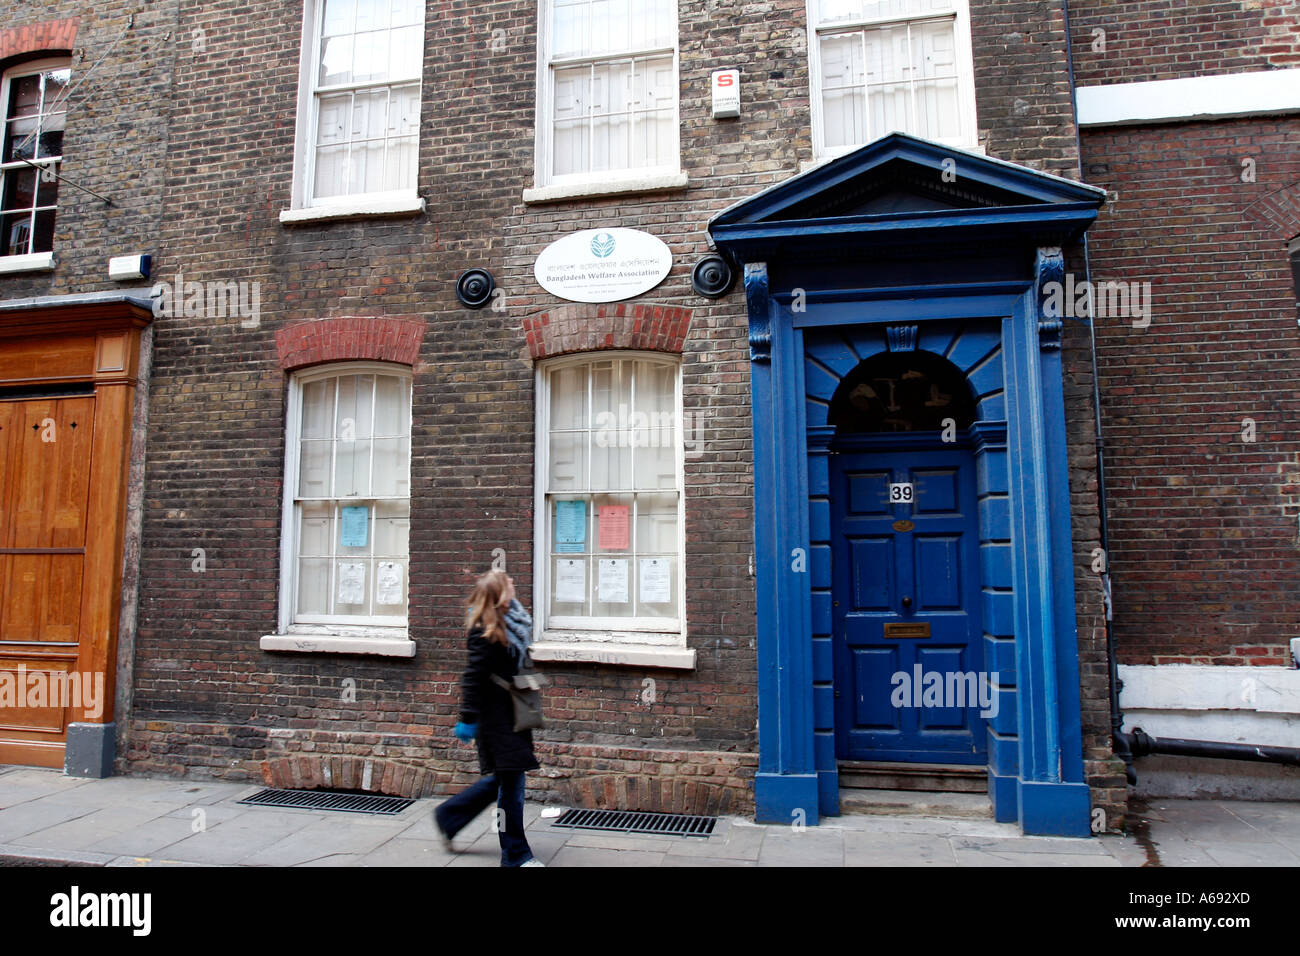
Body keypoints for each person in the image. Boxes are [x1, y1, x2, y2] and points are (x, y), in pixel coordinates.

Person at [434, 569, 545, 867]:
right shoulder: (484, 629)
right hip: (495, 720)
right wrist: (467, 718)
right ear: (499, 592)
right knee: (512, 786)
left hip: (512, 714)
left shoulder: (514, 619)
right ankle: (515, 855)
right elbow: (473, 678)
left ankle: (449, 816)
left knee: (504, 779)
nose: (513, 582)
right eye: (507, 581)